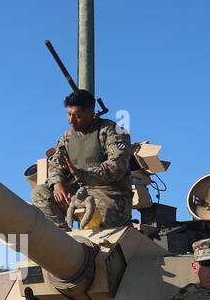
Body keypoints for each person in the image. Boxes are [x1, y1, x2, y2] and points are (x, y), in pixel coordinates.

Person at [30, 89, 133, 230]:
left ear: (91, 113)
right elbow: (56, 163)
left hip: (110, 193)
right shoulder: (67, 137)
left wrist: (82, 174)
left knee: (96, 225)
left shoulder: (111, 131)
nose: (71, 120)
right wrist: (57, 184)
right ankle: (63, 238)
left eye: (77, 116)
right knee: (40, 193)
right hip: (77, 191)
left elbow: (116, 167)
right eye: (69, 114)